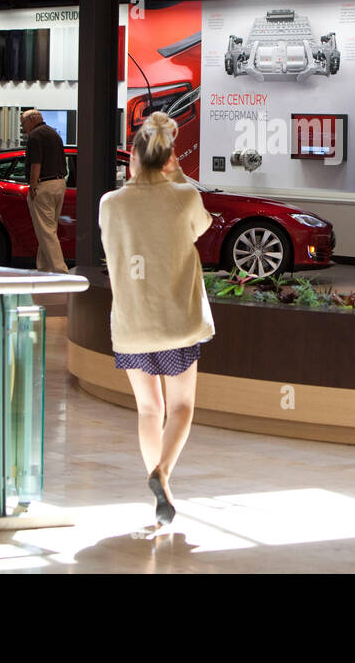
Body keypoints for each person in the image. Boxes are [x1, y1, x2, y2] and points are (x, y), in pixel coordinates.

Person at [98, 112, 213, 526]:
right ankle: (161, 474)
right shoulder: (184, 197)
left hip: (131, 323)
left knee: (150, 410)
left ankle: (160, 492)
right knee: (181, 406)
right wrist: (178, 176)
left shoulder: (110, 204)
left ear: (132, 155)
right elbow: (200, 226)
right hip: (177, 321)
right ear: (170, 158)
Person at [20, 109, 69, 274]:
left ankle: (61, 271)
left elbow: (36, 163)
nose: (23, 128)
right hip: (60, 183)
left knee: (46, 232)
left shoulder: (35, 136)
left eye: (23, 123)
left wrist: (33, 186)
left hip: (44, 186)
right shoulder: (54, 134)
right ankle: (43, 268)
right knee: (48, 229)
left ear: (32, 120)